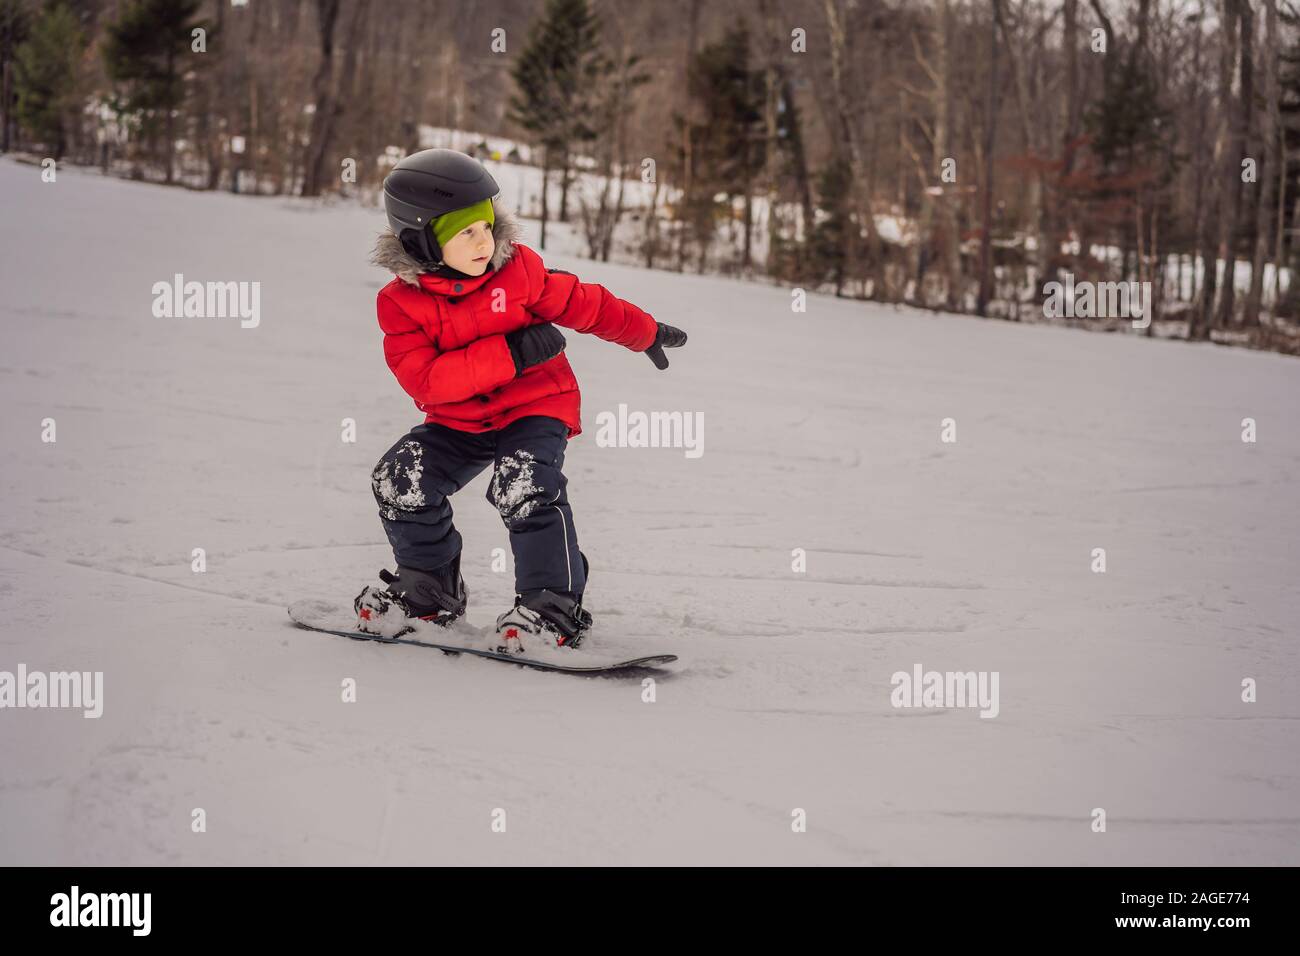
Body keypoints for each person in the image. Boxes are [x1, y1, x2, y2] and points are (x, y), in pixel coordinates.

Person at [355, 148, 687, 651]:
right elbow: (426, 381)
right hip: (459, 420)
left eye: (486, 226)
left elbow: (583, 302)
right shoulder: (401, 304)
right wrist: (510, 351)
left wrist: (643, 332)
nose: (483, 241)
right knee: (399, 478)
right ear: (421, 238)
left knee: (523, 484)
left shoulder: (518, 273)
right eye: (464, 232)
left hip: (535, 405)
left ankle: (551, 606)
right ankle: (427, 591)